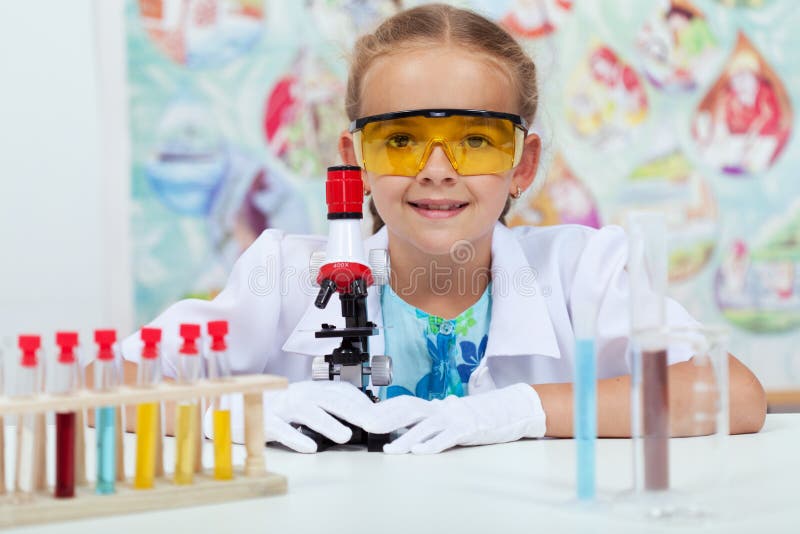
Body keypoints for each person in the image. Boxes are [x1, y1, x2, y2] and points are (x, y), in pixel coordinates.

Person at [109, 4, 766, 454]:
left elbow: (734, 395)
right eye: (401, 141)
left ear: (522, 165)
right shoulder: (280, 275)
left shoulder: (579, 272)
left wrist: (516, 411)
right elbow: (106, 384)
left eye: (475, 140)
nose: (437, 171)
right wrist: (237, 411)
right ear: (353, 160)